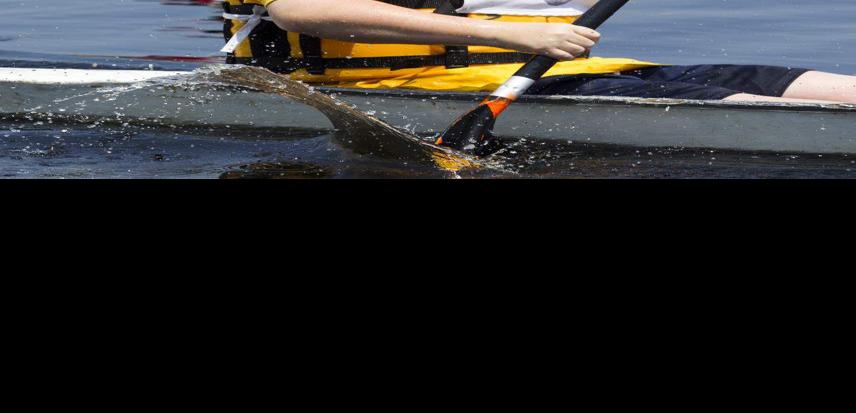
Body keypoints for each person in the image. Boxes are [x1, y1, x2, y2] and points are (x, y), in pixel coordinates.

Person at [221, 0, 856, 104]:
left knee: (762, 73)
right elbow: (298, 10)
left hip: (548, 66)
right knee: (719, 99)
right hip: (403, 89)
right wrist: (517, 37)